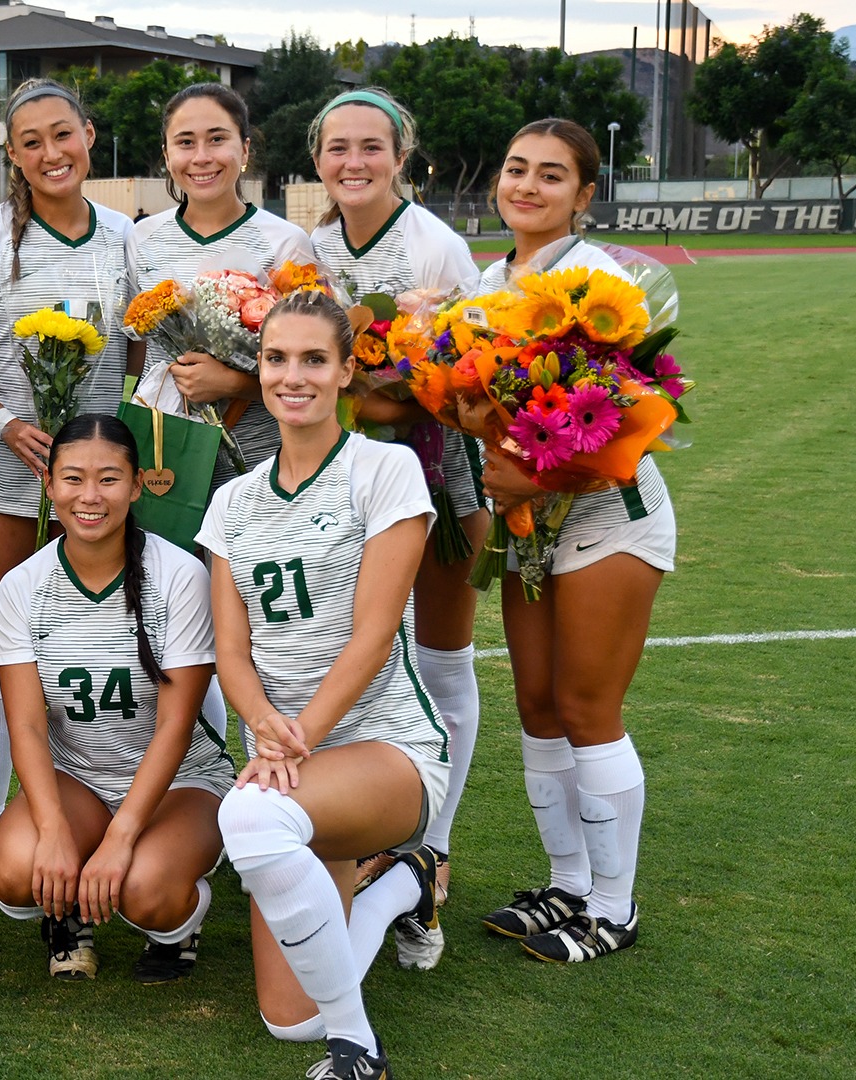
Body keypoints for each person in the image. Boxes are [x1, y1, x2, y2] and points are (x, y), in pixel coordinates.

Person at [206, 289, 448, 1078]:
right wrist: (268, 729)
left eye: (314, 359)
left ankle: (360, 1050)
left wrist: (296, 735)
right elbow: (231, 654)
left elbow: (375, 637)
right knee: (288, 1021)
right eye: (277, 359)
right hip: (291, 764)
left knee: (248, 817)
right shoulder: (232, 502)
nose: (293, 376)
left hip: (383, 751)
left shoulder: (386, 469)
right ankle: (402, 888)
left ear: (348, 371)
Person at [474, 118, 672, 964]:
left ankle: (614, 909)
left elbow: (635, 424)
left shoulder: (599, 280)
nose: (527, 185)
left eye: (551, 176)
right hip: (529, 527)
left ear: (584, 195)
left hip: (606, 518)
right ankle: (568, 884)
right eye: (517, 168)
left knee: (589, 710)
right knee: (539, 706)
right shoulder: (490, 276)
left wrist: (536, 479)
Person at [0, 78, 140, 850]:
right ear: (13, 156)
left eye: (63, 134)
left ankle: (121, 792)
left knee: (110, 637)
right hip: (4, 468)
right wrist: (3, 419)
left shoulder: (129, 237)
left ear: (89, 135)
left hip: (99, 478)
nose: (51, 152)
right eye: (31, 142)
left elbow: (147, 352)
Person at [308, 87, 484, 912]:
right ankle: (360, 835)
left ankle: (433, 845)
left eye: (370, 147)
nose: (354, 162)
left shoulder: (437, 247)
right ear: (317, 161)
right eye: (337, 148)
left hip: (438, 478)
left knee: (441, 662)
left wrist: (392, 394)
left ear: (401, 157)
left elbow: (472, 377)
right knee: (360, 653)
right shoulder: (310, 249)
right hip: (343, 484)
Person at [0, 414, 233, 984]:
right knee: (16, 869)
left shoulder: (178, 575)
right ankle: (67, 911)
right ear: (49, 485)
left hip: (180, 780)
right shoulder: (24, 584)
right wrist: (51, 830)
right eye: (72, 479)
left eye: (108, 479)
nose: (89, 497)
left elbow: (176, 724)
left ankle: (179, 920)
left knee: (145, 891)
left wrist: (121, 839)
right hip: (81, 777)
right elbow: (25, 725)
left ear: (138, 484)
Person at [135, 82, 317, 487]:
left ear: (245, 150)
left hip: (261, 461)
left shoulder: (285, 243)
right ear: (167, 155)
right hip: (166, 460)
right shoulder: (141, 239)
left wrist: (235, 383)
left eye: (217, 139)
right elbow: (139, 354)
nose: (202, 157)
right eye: (185, 142)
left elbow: (312, 366)